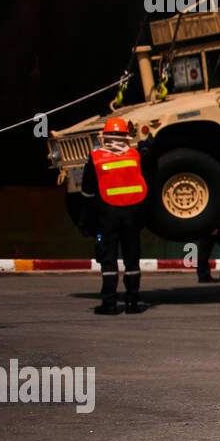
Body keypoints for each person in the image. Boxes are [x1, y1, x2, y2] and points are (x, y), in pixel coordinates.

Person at [81, 117, 152, 314]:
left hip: (107, 215)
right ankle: (133, 302)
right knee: (132, 259)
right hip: (132, 214)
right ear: (125, 136)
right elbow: (147, 164)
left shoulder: (95, 158)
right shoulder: (135, 155)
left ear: (105, 137)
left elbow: (87, 193)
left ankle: (109, 303)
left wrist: (86, 220)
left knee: (108, 259)